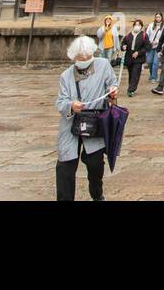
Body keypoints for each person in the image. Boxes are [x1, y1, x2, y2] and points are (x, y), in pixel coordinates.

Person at [55, 34, 117, 201]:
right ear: (74, 57)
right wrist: (71, 106)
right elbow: (60, 102)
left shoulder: (103, 65)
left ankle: (97, 195)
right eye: (81, 58)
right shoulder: (66, 76)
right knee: (65, 166)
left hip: (94, 123)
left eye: (88, 57)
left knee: (95, 164)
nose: (84, 60)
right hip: (71, 124)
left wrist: (112, 92)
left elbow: (112, 83)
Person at [119, 18, 151, 96]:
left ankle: (131, 90)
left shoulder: (144, 35)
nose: (137, 26)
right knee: (131, 74)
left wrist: (138, 52)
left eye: (139, 25)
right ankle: (131, 87)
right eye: (135, 25)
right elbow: (123, 43)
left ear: (141, 26)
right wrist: (123, 46)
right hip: (129, 57)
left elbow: (147, 47)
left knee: (135, 74)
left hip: (138, 58)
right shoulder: (128, 35)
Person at [145, 12, 164, 84]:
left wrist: (157, 41)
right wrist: (149, 42)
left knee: (155, 63)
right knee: (149, 61)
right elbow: (147, 34)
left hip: (159, 47)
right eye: (156, 17)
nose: (158, 18)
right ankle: (152, 74)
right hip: (150, 46)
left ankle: (154, 77)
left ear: (161, 18)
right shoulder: (151, 25)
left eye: (159, 17)